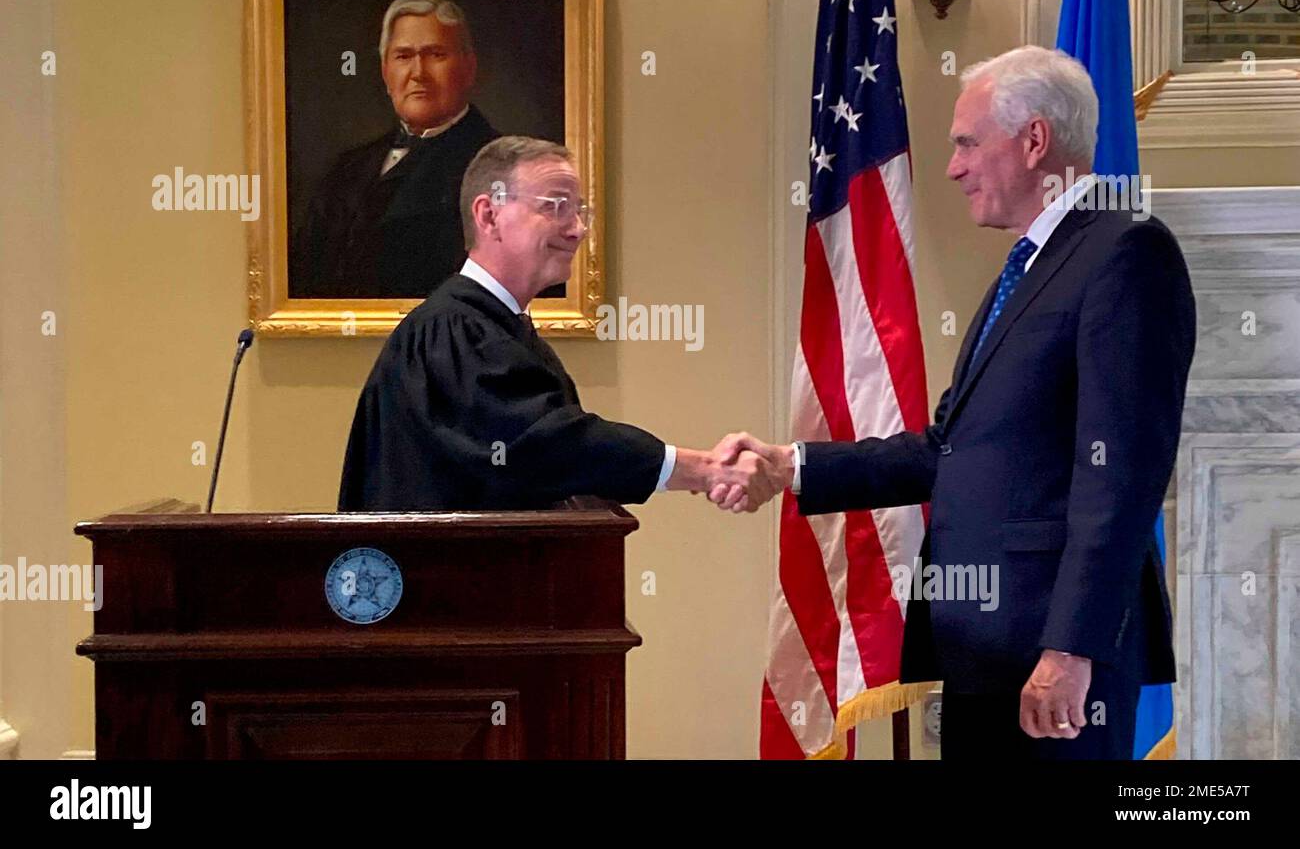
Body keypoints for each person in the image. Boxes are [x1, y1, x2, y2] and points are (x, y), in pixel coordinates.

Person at [710, 46, 1196, 760]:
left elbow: (1120, 477)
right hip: (983, 654)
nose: (954, 167)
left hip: (1048, 659)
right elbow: (950, 448)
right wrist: (792, 465)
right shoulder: (1032, 263)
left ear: (1034, 141)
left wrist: (1070, 648)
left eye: (968, 143)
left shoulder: (1125, 253)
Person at [339, 135, 778, 511]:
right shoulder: (452, 331)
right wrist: (701, 469)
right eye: (556, 207)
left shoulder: (500, 329)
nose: (577, 229)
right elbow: (546, 447)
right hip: (445, 599)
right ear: (489, 215)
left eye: (580, 210)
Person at [293, 0, 499, 299]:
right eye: (403, 56)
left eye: (436, 54)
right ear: (385, 71)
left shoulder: (502, 166)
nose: (418, 73)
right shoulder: (348, 168)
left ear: (469, 68)